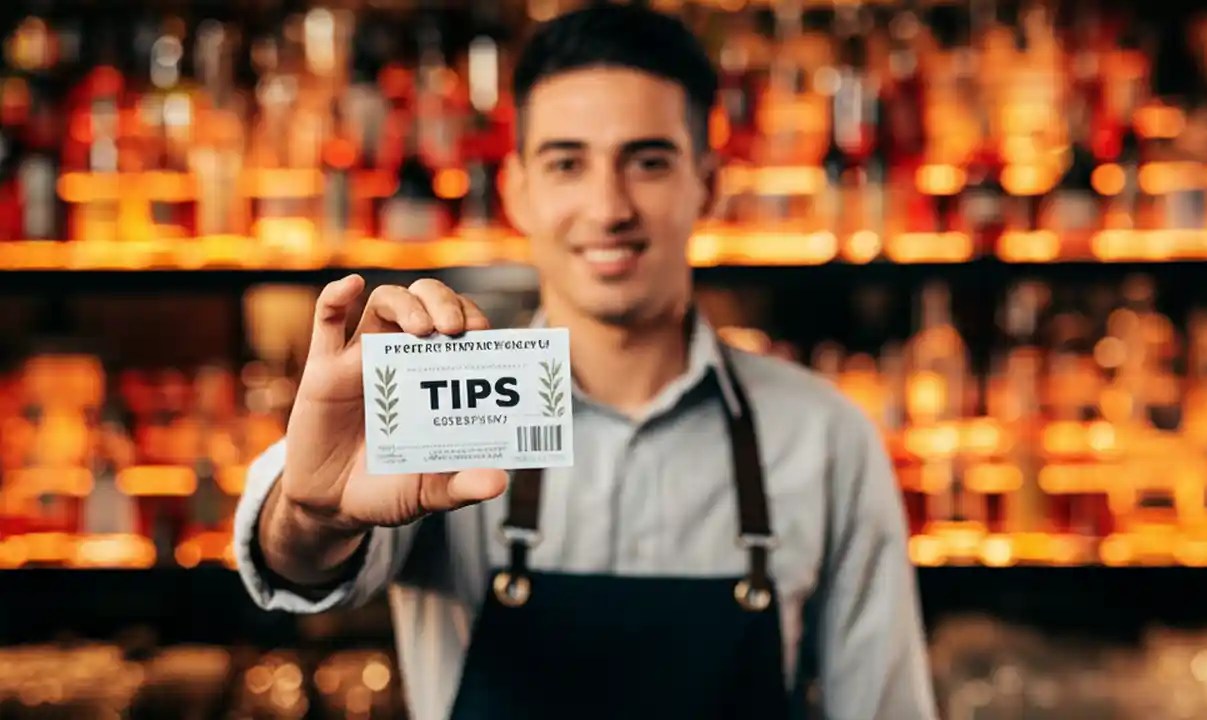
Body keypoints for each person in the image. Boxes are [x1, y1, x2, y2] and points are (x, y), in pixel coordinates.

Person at [233, 5, 937, 719]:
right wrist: (310, 510)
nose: (608, 207)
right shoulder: (437, 398)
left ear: (708, 184)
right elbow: (299, 564)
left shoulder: (825, 438)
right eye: (567, 163)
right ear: (517, 191)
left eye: (649, 162)